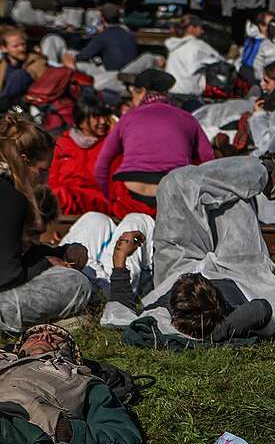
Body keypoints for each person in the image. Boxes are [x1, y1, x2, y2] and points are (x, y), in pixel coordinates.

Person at [100, 152, 275, 341]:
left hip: (176, 273)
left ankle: (258, 171)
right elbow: (261, 309)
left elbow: (118, 314)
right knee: (234, 198)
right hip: (241, 274)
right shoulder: (232, 313)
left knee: (172, 183)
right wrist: (218, 331)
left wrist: (120, 262)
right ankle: (264, 170)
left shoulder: (159, 319)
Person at [0, 324, 143, 444]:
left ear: (72, 355)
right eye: (34, 335)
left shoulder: (83, 380)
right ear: (18, 347)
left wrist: (67, 432)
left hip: (22, 433)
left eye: (56, 338)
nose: (45, 337)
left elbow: (122, 436)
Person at [0, 115, 94, 332]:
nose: (44, 180)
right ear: (23, 160)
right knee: (74, 283)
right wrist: (47, 263)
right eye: (42, 171)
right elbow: (8, 274)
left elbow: (11, 254)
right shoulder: (11, 196)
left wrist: (59, 252)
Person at [94, 69, 214, 218]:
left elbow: (101, 167)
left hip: (131, 196)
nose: (132, 99)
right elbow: (209, 161)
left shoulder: (127, 118)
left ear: (142, 92)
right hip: (174, 194)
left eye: (134, 93)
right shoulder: (187, 118)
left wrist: (108, 199)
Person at [48, 95, 113, 215]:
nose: (103, 121)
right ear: (81, 121)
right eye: (96, 117)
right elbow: (53, 177)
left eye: (104, 116)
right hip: (65, 202)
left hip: (97, 203)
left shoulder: (111, 144)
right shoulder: (64, 143)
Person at [164, 15, 227, 97]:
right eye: (200, 28)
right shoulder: (198, 45)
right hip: (188, 96)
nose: (202, 31)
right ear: (191, 28)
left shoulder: (173, 46)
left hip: (171, 92)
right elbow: (220, 61)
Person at [71, 3, 139, 73]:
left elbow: (82, 56)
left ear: (102, 18)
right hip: (130, 70)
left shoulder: (103, 35)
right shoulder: (128, 32)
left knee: (77, 63)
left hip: (112, 73)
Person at [0, 27, 34, 108]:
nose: (22, 49)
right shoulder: (3, 65)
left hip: (21, 108)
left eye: (23, 44)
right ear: (4, 48)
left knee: (19, 74)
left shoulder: (35, 61)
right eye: (15, 46)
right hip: (6, 110)